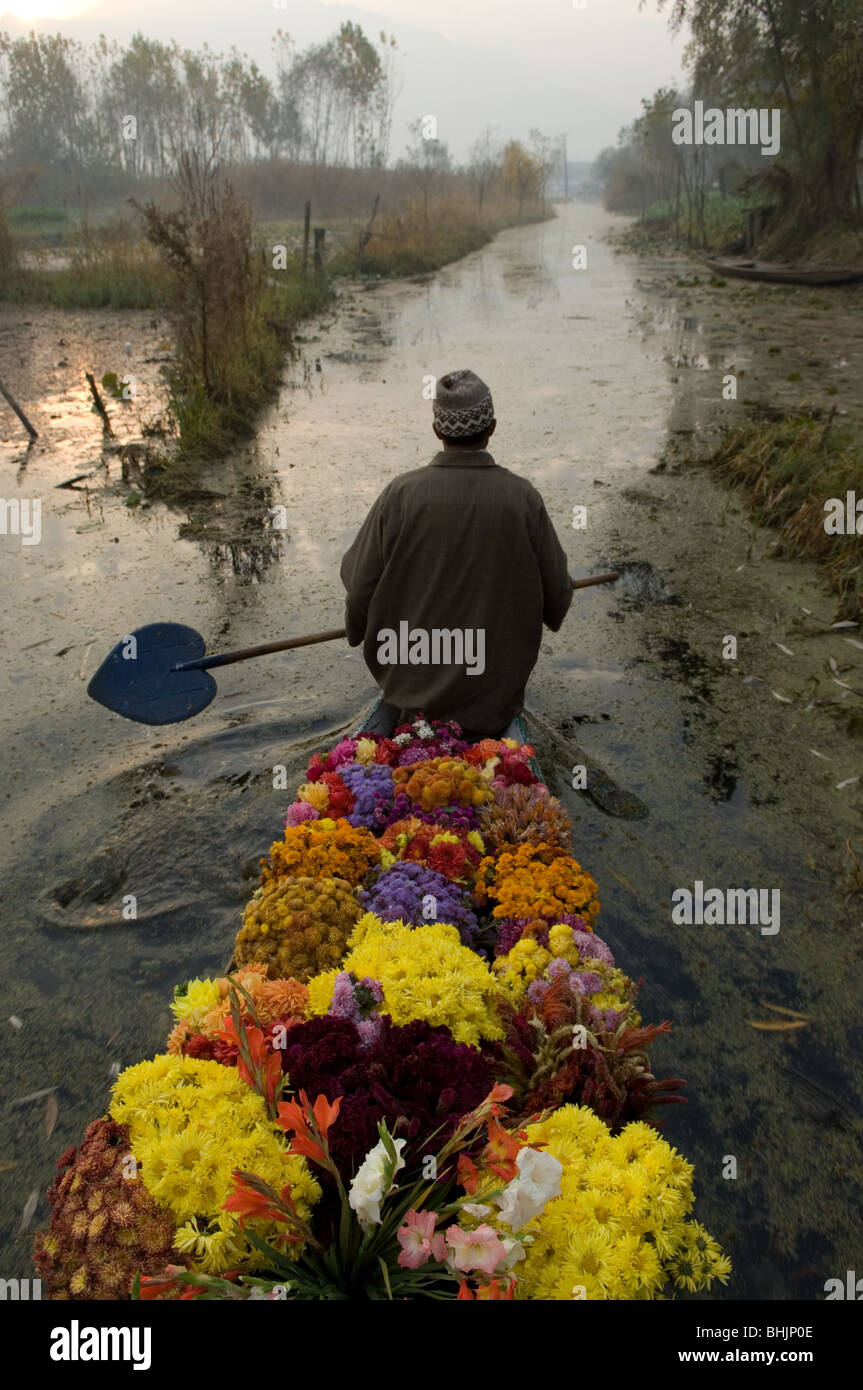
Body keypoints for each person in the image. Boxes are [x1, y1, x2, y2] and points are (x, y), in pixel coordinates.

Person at [339, 369, 573, 740]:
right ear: (492, 427)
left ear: (437, 430)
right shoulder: (522, 499)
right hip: (492, 708)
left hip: (411, 703)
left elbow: (359, 589)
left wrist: (356, 629)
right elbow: (557, 600)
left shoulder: (399, 495)